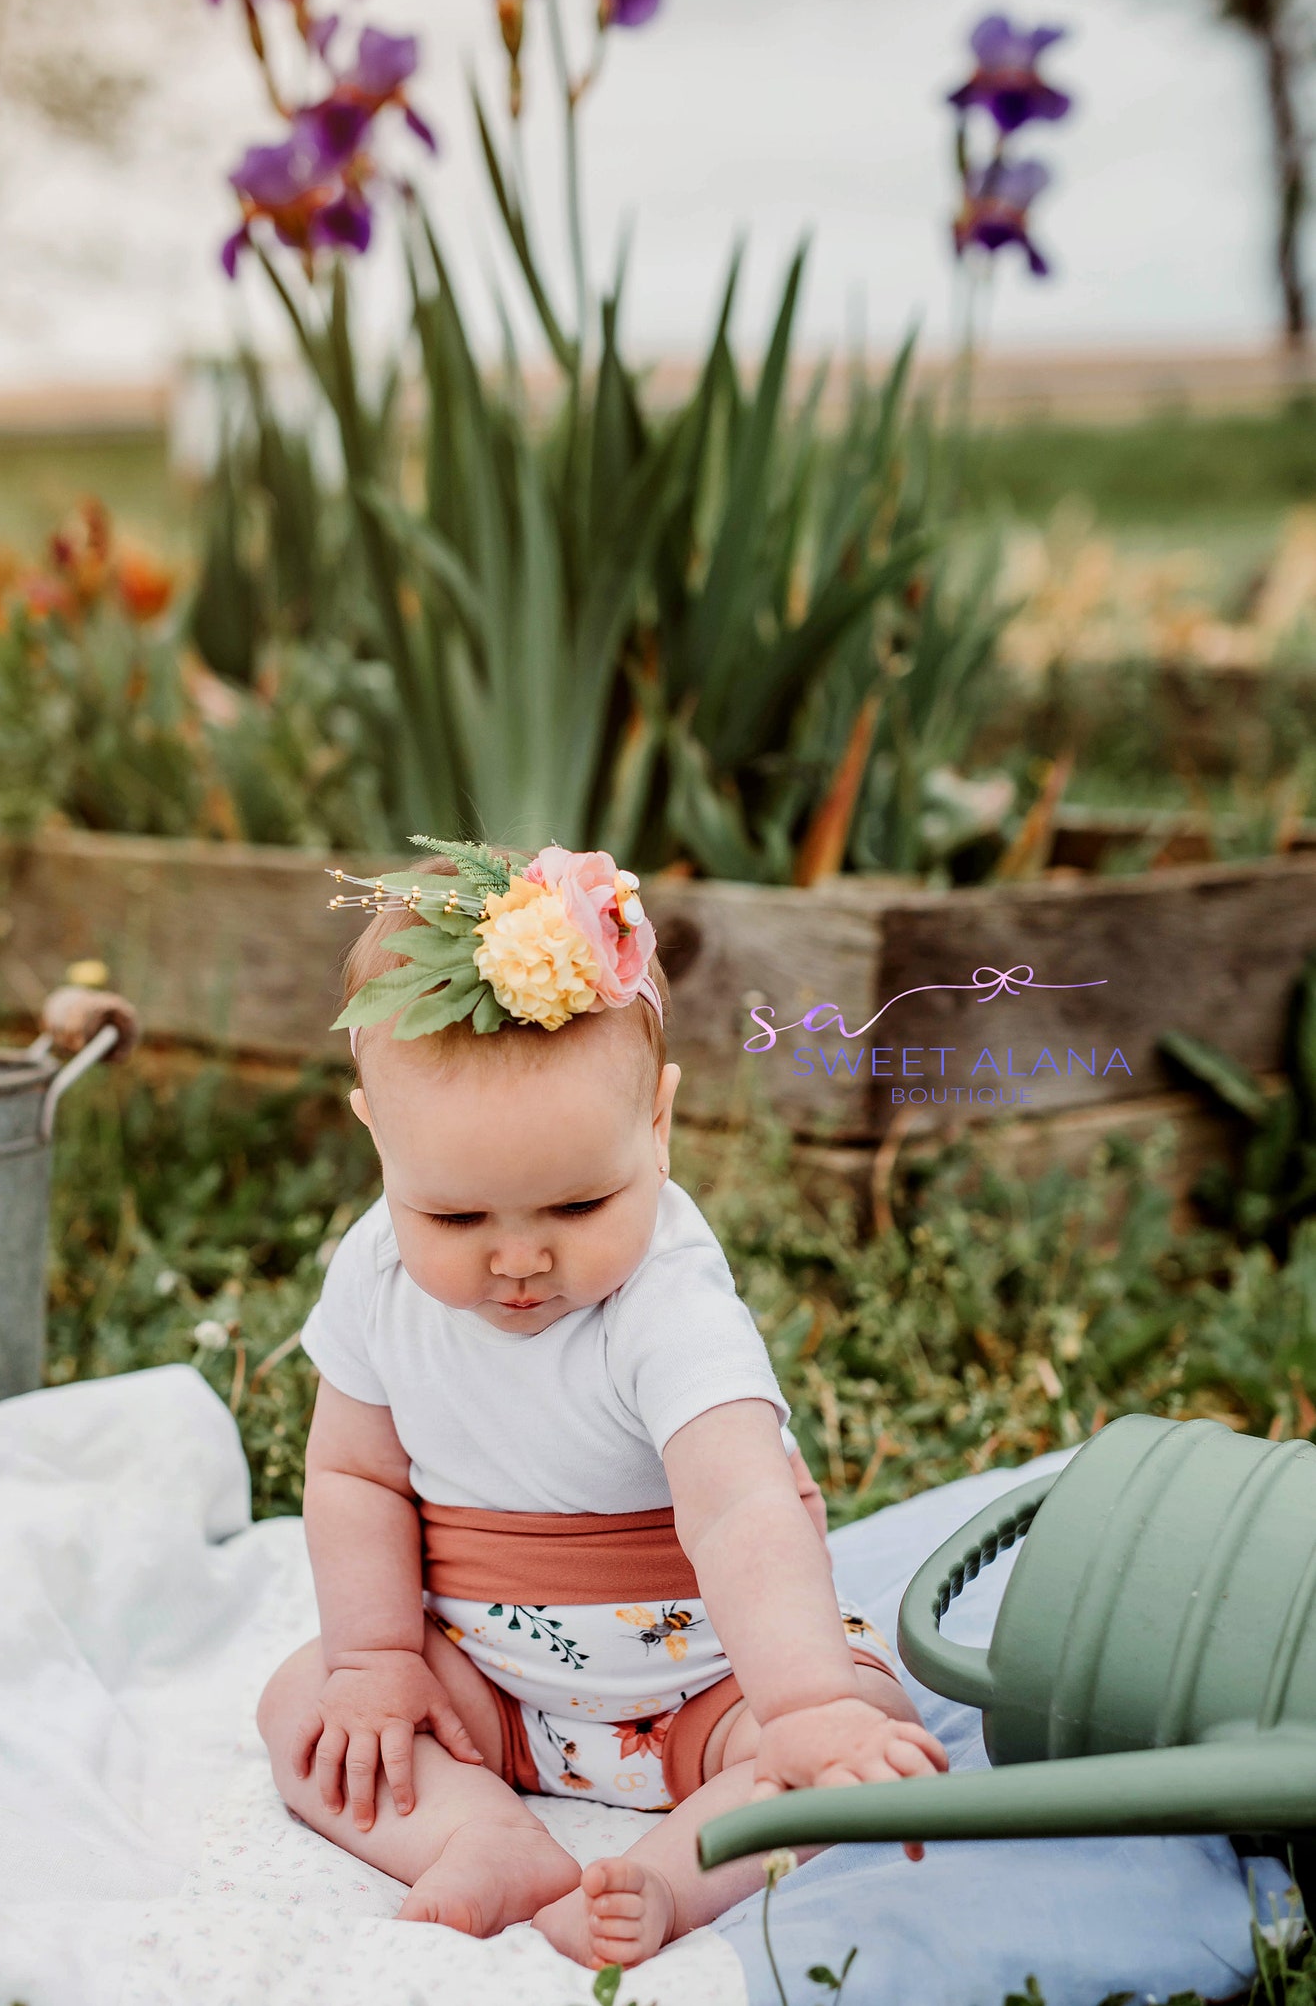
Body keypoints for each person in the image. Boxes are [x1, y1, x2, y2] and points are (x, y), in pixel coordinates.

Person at [257, 837, 947, 1971]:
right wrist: (380, 1655)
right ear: (375, 1135)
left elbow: (739, 1509)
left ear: (660, 1125)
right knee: (307, 1703)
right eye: (456, 1218)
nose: (518, 1257)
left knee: (861, 1733)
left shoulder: (667, 1297)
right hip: (487, 1680)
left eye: (579, 1201)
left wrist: (810, 1698)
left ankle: (670, 1875)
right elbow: (354, 1474)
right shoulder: (375, 1272)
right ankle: (479, 1832)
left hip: (705, 1681)